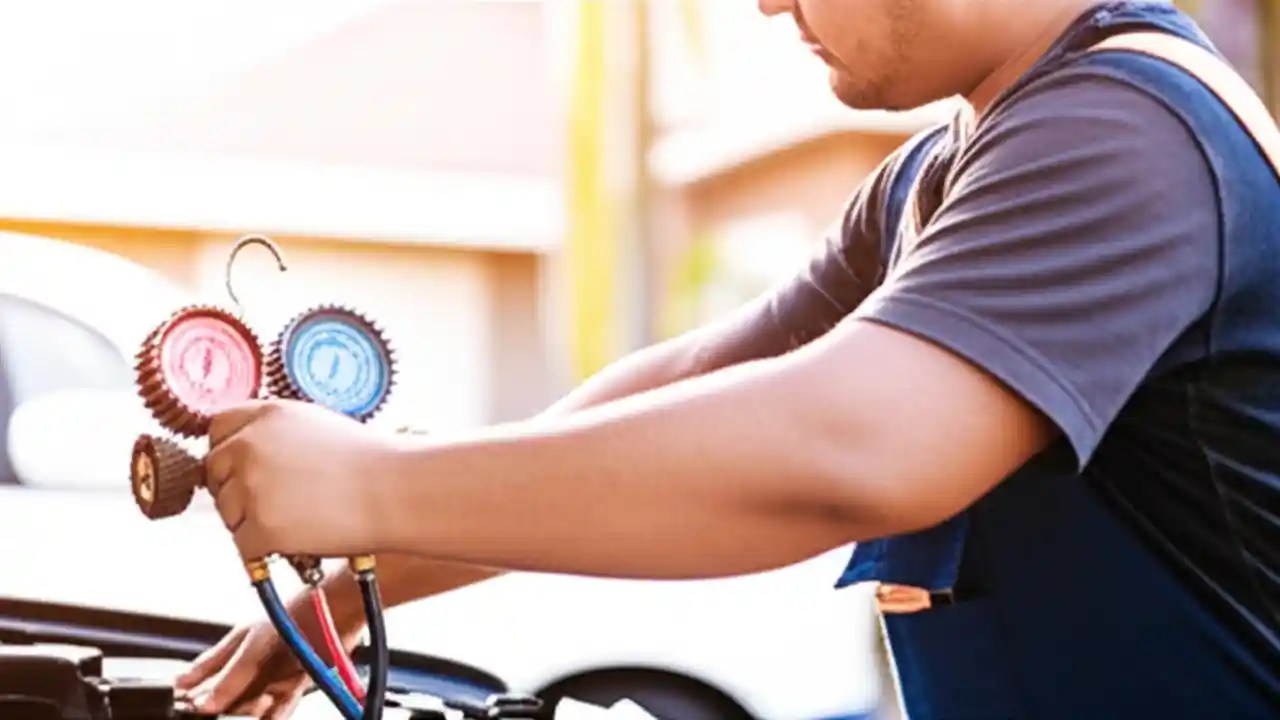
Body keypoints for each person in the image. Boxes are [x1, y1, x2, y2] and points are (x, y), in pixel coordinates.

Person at [178, 1, 1280, 717]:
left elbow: (851, 445)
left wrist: (373, 486)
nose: (763, 3)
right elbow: (685, 387)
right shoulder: (938, 174)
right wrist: (352, 587)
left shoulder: (1126, 133)